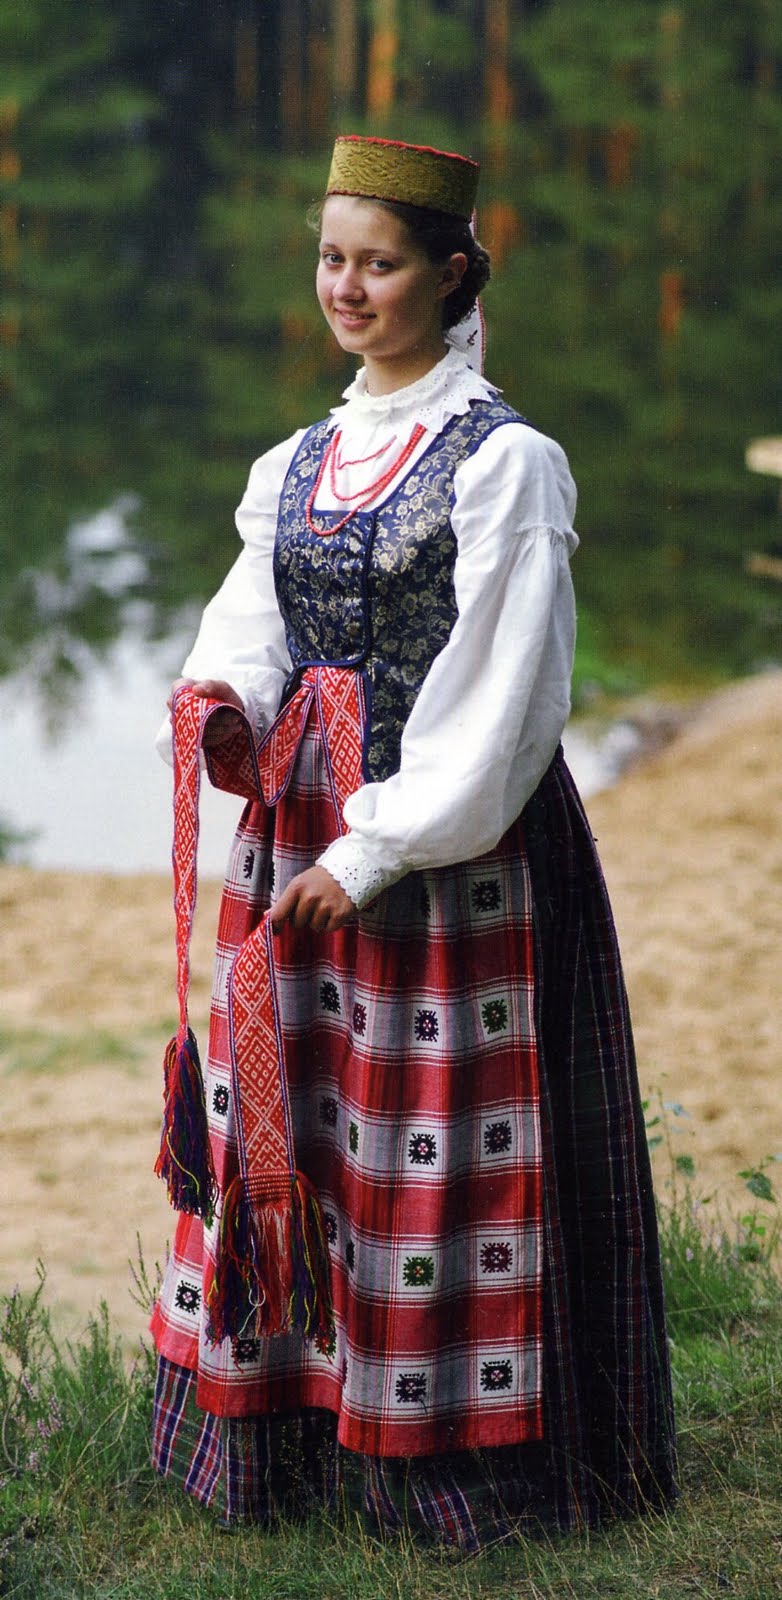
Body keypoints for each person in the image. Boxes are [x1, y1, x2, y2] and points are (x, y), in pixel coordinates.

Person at [150, 134, 676, 1549]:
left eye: (377, 263)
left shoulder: (508, 465)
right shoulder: (302, 458)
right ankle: (298, 1440)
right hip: (297, 825)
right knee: (302, 1121)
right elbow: (250, 622)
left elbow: (504, 705)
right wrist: (221, 711)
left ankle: (453, 1470)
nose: (347, 285)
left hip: (449, 855)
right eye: (331, 259)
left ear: (450, 275)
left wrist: (374, 849)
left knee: (432, 1141)